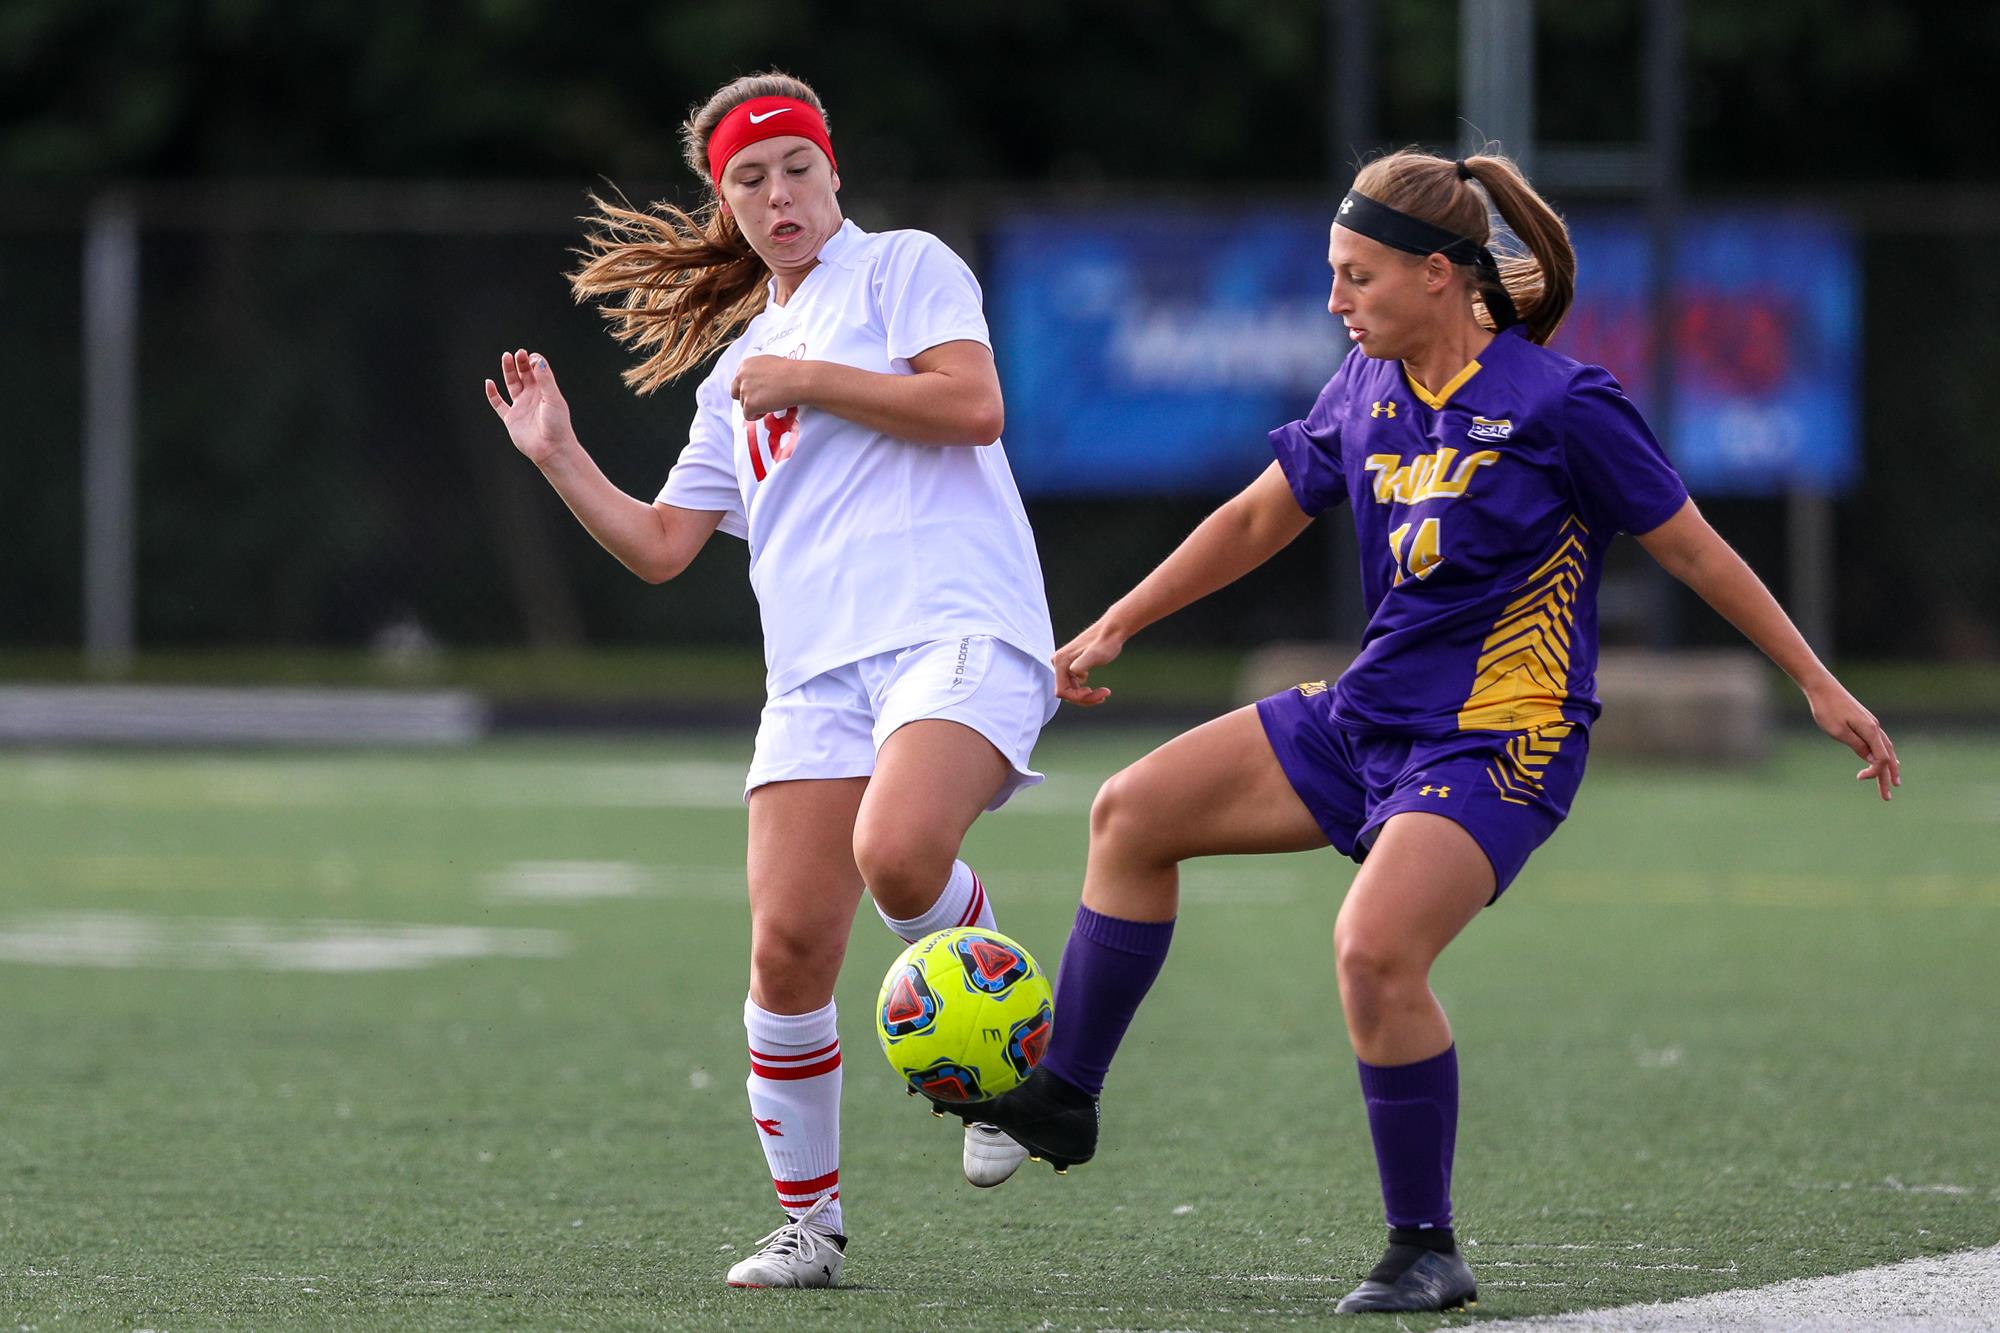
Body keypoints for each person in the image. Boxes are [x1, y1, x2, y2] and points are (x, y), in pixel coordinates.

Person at [953, 147, 1900, 1315]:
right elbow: (1258, 515)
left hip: (1499, 742)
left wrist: (1816, 683)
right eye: (1333, 277)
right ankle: (1067, 1093)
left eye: (1356, 277)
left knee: (1372, 951)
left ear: (1441, 275)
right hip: (1366, 717)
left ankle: (1423, 1247)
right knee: (1131, 813)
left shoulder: (1564, 406)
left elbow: (1691, 546)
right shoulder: (1364, 388)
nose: (1336, 302)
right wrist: (1114, 624)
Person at [483, 69, 1057, 1289]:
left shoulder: (905, 268)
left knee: (897, 851)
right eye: (751, 177)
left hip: (954, 629)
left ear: (832, 170)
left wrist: (809, 380)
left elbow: (973, 406)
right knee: (788, 948)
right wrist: (558, 452)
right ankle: (811, 1225)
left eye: (797, 165)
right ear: (725, 204)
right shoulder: (735, 369)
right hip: (814, 678)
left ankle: (1008, 1051)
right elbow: (658, 547)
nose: (779, 191)